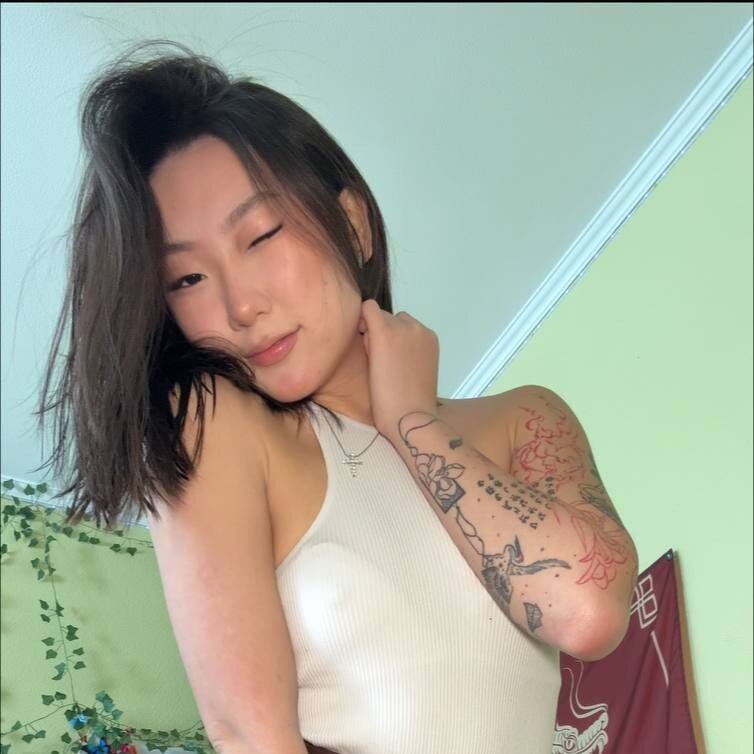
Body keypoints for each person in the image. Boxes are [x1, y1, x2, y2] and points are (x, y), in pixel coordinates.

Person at [35, 39, 639, 754]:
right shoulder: (219, 425)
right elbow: (249, 736)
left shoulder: (524, 420)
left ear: (352, 222)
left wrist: (410, 419)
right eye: (187, 280)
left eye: (260, 236)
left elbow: (589, 612)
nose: (240, 306)